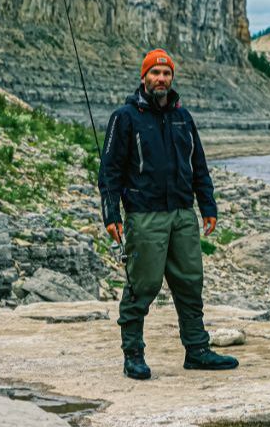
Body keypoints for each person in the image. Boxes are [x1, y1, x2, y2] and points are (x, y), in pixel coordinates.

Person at [99, 48, 239, 380]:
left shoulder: (183, 117)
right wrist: (111, 214)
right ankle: (133, 354)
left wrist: (208, 205)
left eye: (166, 74)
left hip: (182, 215)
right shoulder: (125, 117)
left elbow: (199, 166)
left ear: (172, 78)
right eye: (155, 73)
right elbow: (109, 172)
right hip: (144, 216)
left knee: (190, 282)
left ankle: (197, 350)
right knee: (141, 285)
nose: (161, 79)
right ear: (143, 77)